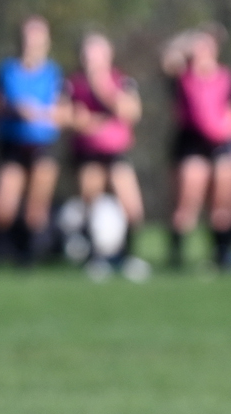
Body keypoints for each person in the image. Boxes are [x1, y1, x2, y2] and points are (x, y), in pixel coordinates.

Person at [162, 28, 231, 270]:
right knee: (187, 201)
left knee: (222, 204)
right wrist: (188, 40)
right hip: (191, 144)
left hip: (220, 144)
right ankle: (176, 257)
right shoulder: (182, 75)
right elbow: (167, 56)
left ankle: (222, 255)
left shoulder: (226, 77)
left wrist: (228, 129)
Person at [0, 15, 65, 265]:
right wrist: (15, 109)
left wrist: (43, 113)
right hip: (12, 144)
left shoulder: (55, 73)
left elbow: (64, 111)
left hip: (42, 145)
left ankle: (29, 259)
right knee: (4, 206)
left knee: (37, 208)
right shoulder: (5, 71)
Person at [68, 31, 145, 277]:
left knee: (132, 208)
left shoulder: (122, 81)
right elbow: (68, 117)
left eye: (96, 52)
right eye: (87, 52)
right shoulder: (72, 84)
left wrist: (101, 89)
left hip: (116, 152)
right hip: (87, 154)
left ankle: (128, 256)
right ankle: (96, 257)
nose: (90, 58)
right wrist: (90, 121)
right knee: (91, 200)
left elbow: (130, 112)